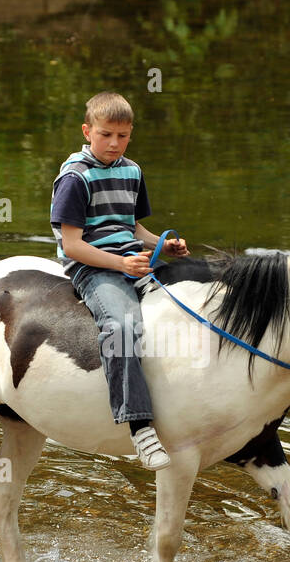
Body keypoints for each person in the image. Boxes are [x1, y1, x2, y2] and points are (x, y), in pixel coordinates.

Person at [49, 91, 189, 471]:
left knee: (200, 294)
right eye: (105, 134)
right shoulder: (76, 178)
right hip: (93, 266)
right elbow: (73, 245)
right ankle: (139, 425)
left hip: (134, 258)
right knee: (123, 326)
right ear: (87, 131)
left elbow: (133, 227)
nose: (114, 144)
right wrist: (121, 265)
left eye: (122, 136)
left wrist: (162, 244)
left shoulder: (133, 171)